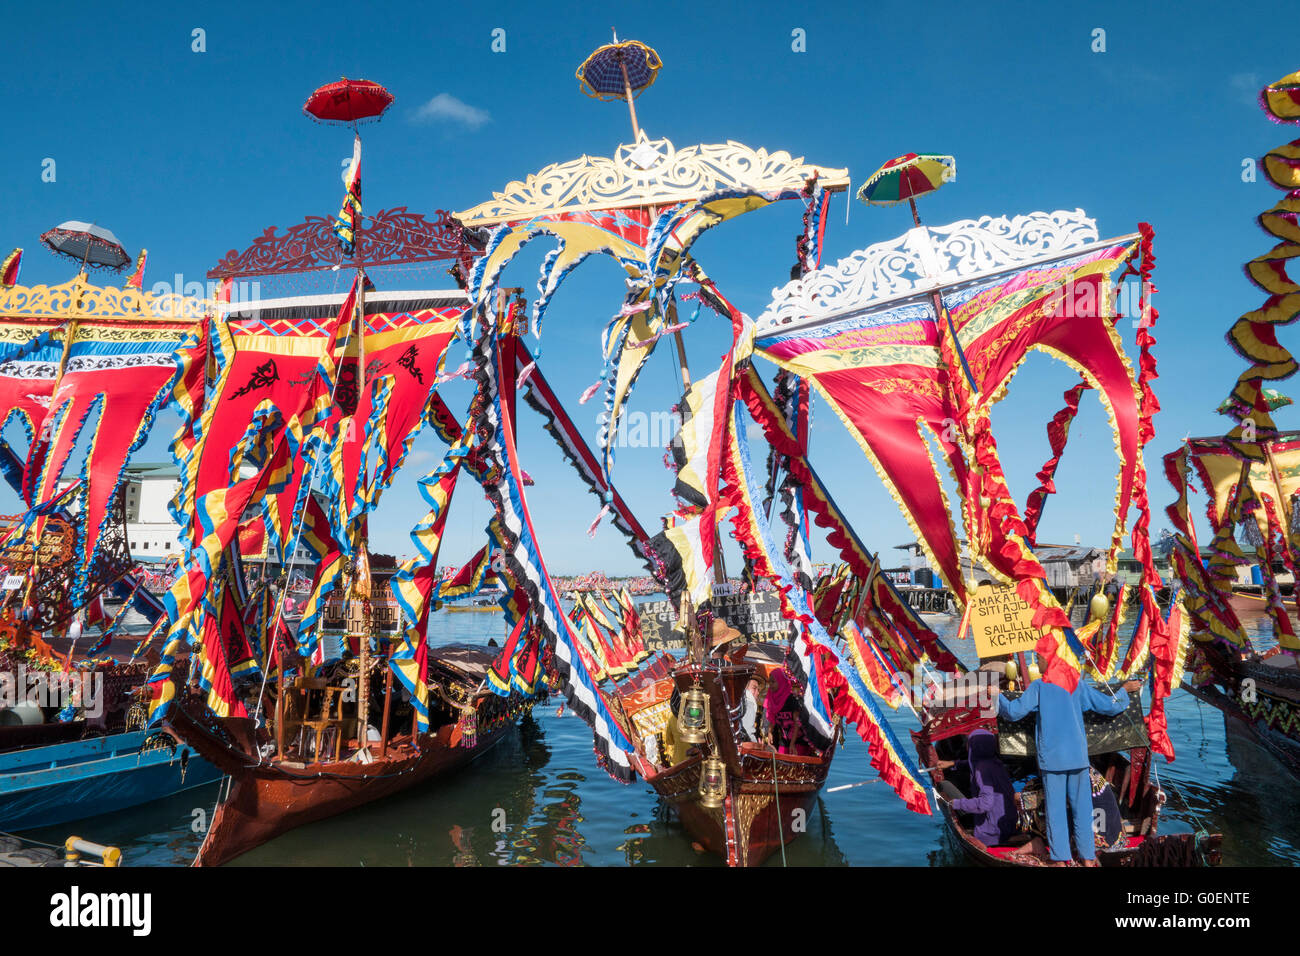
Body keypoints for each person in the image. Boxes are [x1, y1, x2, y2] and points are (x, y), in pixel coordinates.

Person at [995, 673, 1140, 866]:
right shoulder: (1076, 684)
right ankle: (1088, 859)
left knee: (1056, 813)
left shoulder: (1039, 686)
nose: (1038, 663)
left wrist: (998, 696)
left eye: (1040, 658)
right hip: (1077, 759)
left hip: (1053, 762)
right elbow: (1110, 706)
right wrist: (1124, 691)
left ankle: (1060, 860)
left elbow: (1013, 712)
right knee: (1083, 810)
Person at [936, 729, 1018, 849]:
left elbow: (985, 804)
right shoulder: (995, 763)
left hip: (993, 830)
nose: (967, 746)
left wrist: (956, 804)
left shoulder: (982, 769)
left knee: (944, 785)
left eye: (969, 743)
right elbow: (970, 764)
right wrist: (953, 763)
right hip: (1008, 822)